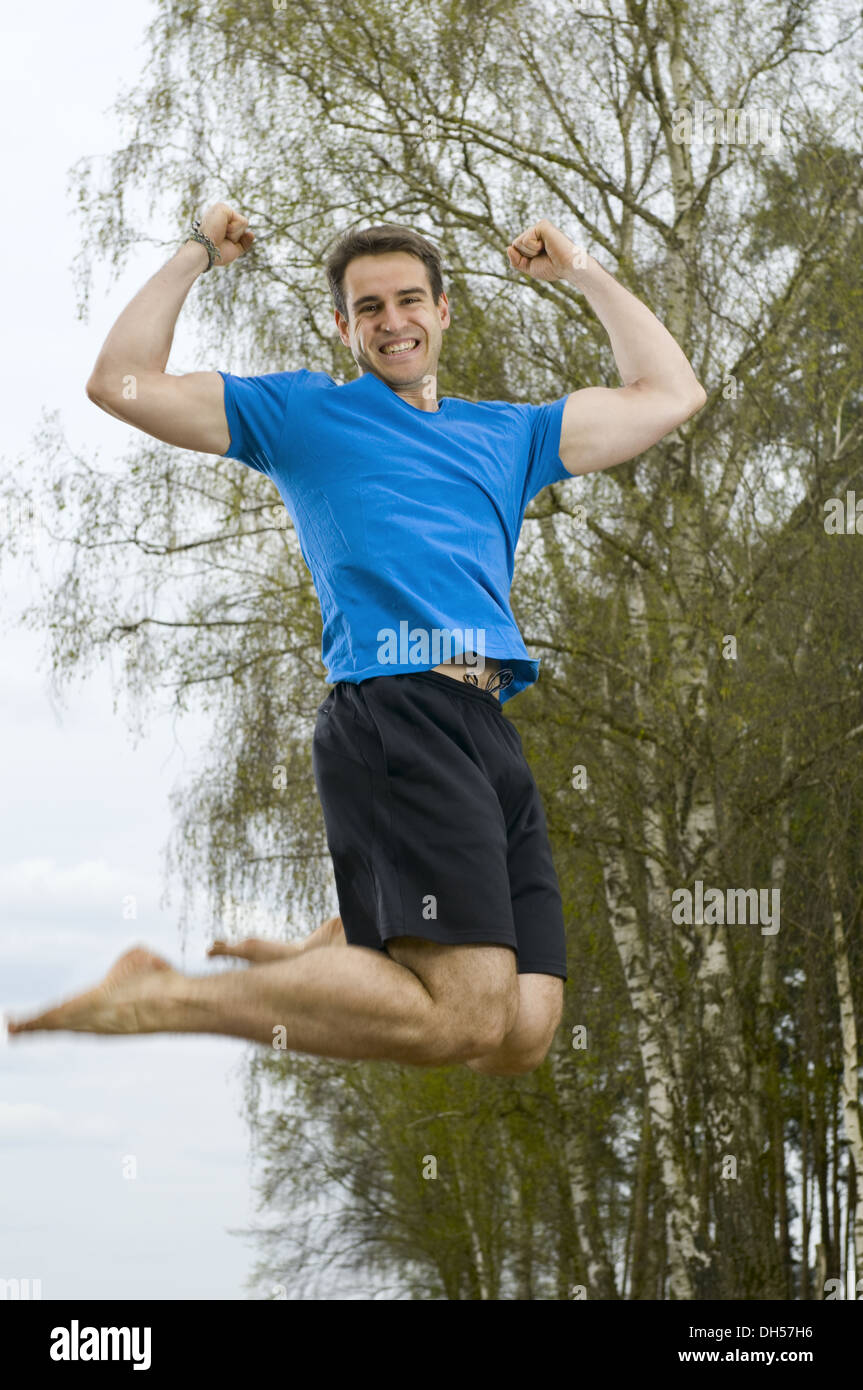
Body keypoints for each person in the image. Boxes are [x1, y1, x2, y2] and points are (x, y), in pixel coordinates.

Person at [6, 206, 705, 1073]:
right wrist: (196, 251)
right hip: (397, 709)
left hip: (486, 721)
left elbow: (671, 395)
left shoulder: (510, 433)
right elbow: (120, 382)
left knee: (519, 1032)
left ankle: (334, 949)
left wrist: (581, 274)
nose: (392, 321)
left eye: (409, 300)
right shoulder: (304, 415)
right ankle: (158, 993)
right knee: (458, 1017)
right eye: (368, 308)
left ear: (444, 311)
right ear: (343, 327)